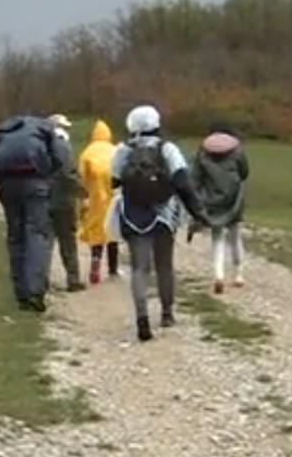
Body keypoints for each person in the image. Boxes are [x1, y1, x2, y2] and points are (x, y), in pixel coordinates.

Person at [110, 104, 209, 342]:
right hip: (165, 214)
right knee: (164, 264)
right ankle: (166, 313)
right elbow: (183, 183)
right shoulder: (168, 149)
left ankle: (142, 317)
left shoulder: (123, 149)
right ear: (157, 124)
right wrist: (198, 212)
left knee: (139, 267)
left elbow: (113, 182)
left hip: (133, 215)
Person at [0, 114, 64, 312]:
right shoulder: (44, 128)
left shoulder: (1, 129)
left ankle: (21, 293)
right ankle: (35, 291)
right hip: (35, 182)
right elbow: (59, 158)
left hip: (8, 185)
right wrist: (47, 177)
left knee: (15, 237)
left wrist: (2, 181)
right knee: (36, 234)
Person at [189, 120, 250, 294]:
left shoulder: (202, 153)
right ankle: (238, 274)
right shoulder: (237, 152)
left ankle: (219, 276)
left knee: (217, 238)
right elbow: (245, 173)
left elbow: (195, 179)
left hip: (211, 201)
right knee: (235, 236)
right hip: (234, 200)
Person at [77, 119, 121, 285]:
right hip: (113, 198)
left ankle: (96, 261)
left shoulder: (87, 153)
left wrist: (84, 198)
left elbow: (81, 177)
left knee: (96, 232)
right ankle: (113, 268)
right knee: (113, 232)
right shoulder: (115, 150)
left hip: (95, 198)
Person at [46, 114, 87, 292]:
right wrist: (82, 192)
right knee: (68, 242)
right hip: (62, 201)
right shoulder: (62, 145)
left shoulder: (41, 146)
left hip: (43, 200)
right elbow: (67, 174)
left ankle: (41, 279)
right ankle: (73, 279)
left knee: (44, 242)